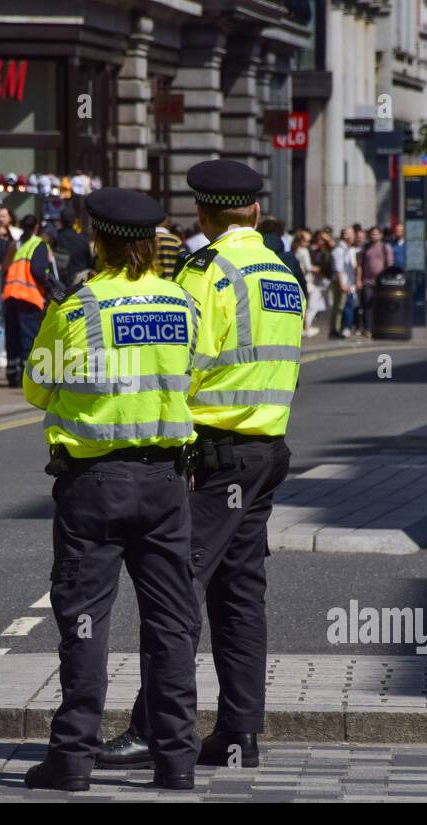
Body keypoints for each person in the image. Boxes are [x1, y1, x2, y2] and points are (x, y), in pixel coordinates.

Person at [98, 160, 302, 774]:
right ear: (257, 213)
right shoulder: (282, 272)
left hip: (213, 453)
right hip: (267, 450)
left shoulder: (206, 272)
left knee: (176, 592)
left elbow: (176, 356)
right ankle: (239, 735)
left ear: (204, 216)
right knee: (240, 598)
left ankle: (153, 730)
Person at [22, 187, 201, 791]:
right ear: (153, 243)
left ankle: (72, 759)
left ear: (96, 240)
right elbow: (193, 377)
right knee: (172, 622)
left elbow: (36, 388)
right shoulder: (182, 305)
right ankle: (176, 761)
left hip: (93, 485)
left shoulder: (77, 308)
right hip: (165, 482)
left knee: (84, 621)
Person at [1, 215, 61, 386]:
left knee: (13, 338)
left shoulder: (17, 245)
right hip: (28, 296)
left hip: (10, 295)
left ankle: (13, 375)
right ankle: (27, 377)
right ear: (36, 228)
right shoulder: (39, 244)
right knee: (28, 338)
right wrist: (51, 288)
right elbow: (38, 270)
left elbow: (4, 267)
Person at [358, 226, 394, 337]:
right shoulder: (365, 248)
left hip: (381, 282)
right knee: (367, 305)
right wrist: (358, 279)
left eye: (376, 234)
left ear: (380, 235)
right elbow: (360, 265)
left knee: (380, 306)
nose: (373, 236)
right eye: (372, 234)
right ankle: (367, 329)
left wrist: (388, 280)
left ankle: (380, 327)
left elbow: (389, 265)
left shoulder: (385, 248)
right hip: (367, 281)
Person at [329, 226, 355, 339]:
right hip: (340, 283)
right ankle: (336, 330)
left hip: (345, 282)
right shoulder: (340, 250)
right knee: (339, 307)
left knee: (341, 306)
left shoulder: (347, 249)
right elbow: (339, 269)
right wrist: (342, 284)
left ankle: (337, 329)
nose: (353, 236)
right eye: (352, 234)